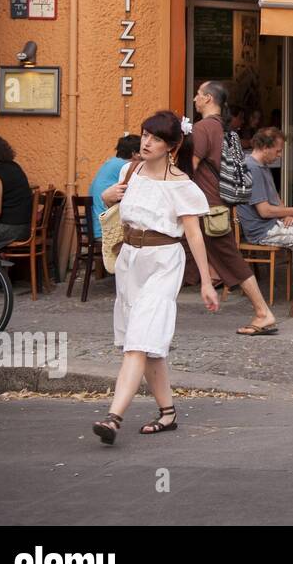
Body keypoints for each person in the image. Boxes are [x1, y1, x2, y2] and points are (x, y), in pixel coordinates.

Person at [92, 110, 220, 444]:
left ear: (172, 146)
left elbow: (194, 236)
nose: (146, 142)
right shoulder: (129, 170)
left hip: (163, 262)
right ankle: (168, 412)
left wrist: (206, 281)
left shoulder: (182, 185)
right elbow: (111, 203)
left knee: (139, 341)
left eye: (156, 138)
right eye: (145, 134)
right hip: (130, 261)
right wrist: (107, 197)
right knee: (147, 345)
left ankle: (113, 418)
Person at [187, 80, 278, 336]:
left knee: (231, 259)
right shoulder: (225, 129)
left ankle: (263, 312)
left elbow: (189, 168)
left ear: (207, 99)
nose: (195, 99)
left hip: (206, 206)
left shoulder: (203, 127)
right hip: (218, 204)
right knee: (179, 248)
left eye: (197, 95)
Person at [237, 127, 293, 250]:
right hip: (264, 231)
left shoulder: (262, 166)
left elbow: (275, 197)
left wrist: (286, 215)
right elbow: (265, 211)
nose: (280, 155)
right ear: (265, 148)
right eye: (278, 151)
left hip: (272, 225)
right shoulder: (252, 168)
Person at [88, 134, 141, 239]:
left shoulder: (110, 163)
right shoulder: (126, 167)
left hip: (95, 227)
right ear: (135, 153)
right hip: (106, 230)